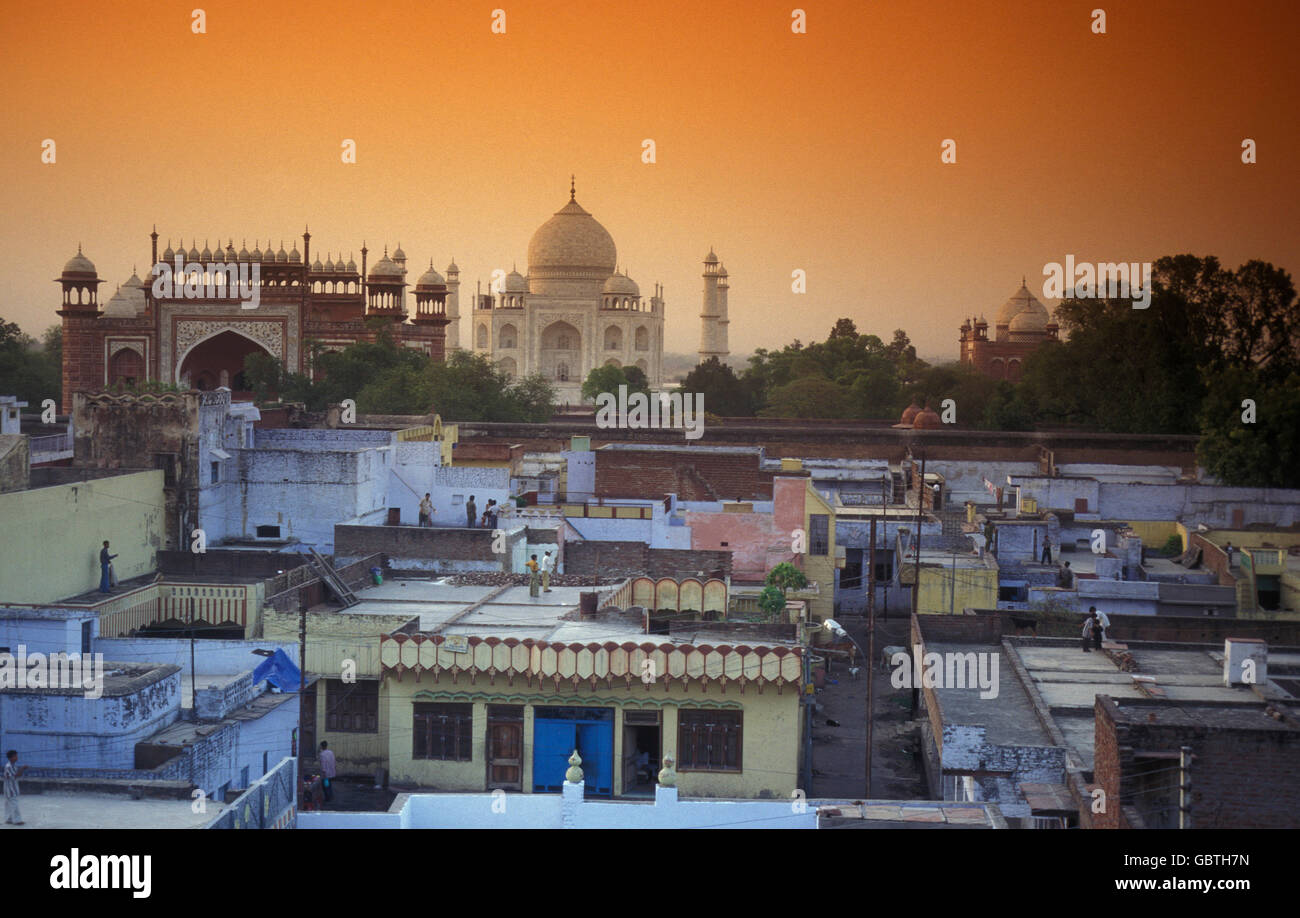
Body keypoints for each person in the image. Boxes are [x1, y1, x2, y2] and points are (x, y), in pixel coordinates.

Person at [4, 750, 28, 825]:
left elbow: (17, 775)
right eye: (15, 756)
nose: (17, 757)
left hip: (12, 788)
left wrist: (21, 769)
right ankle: (17, 820)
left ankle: (9, 819)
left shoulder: (13, 765)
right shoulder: (9, 767)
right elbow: (14, 776)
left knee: (9, 804)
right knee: (14, 804)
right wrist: (22, 769)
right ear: (11, 758)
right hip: (10, 789)